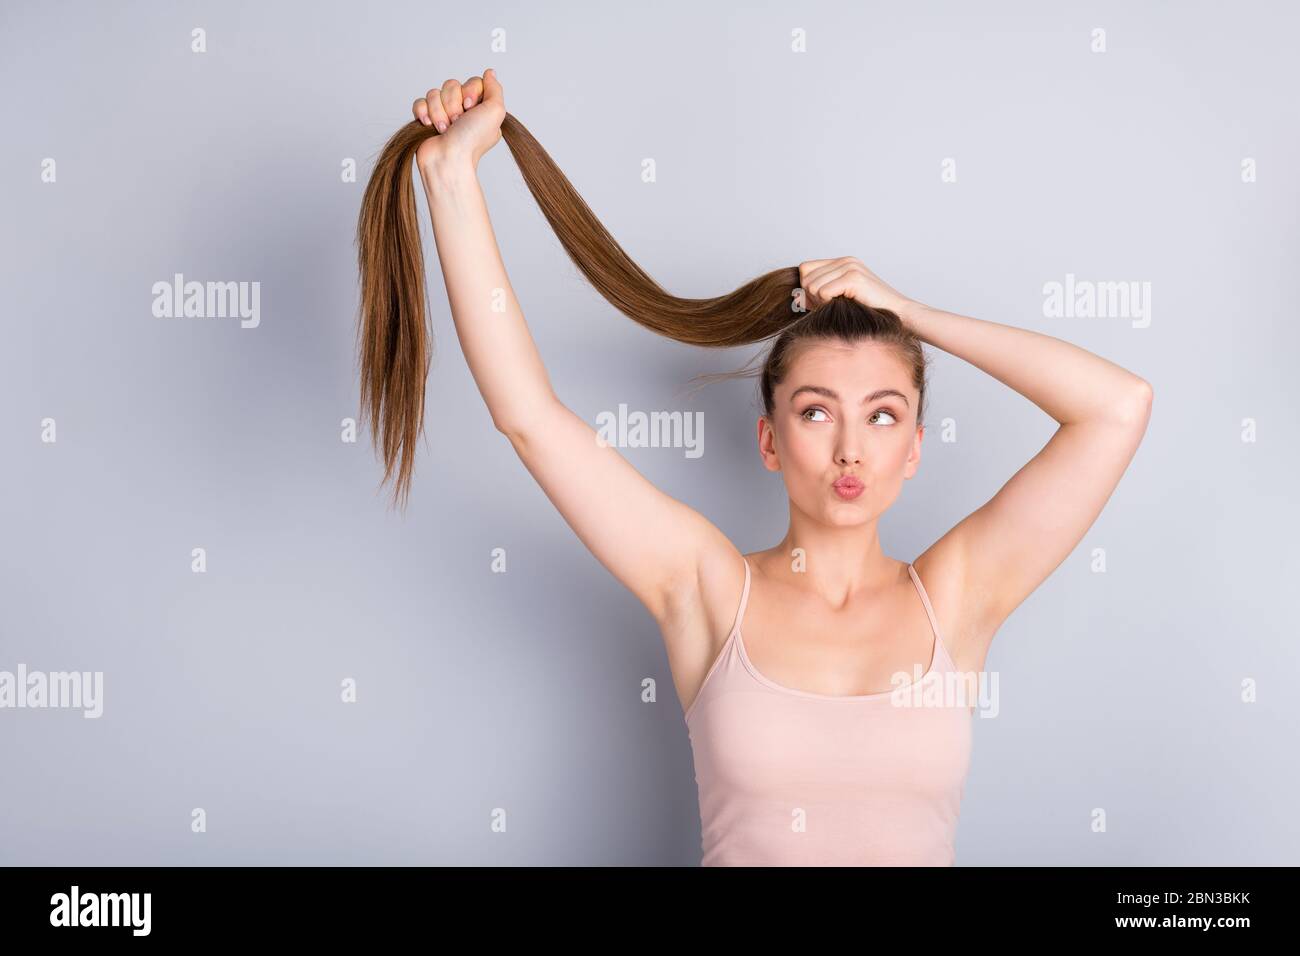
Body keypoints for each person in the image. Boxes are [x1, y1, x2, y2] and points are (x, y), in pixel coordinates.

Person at [363, 70, 1153, 865]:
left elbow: (1118, 407)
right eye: (816, 411)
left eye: (883, 415)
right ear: (770, 440)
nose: (850, 448)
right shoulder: (706, 588)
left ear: (913, 447)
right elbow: (529, 418)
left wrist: (912, 316)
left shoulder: (956, 597)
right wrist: (450, 174)